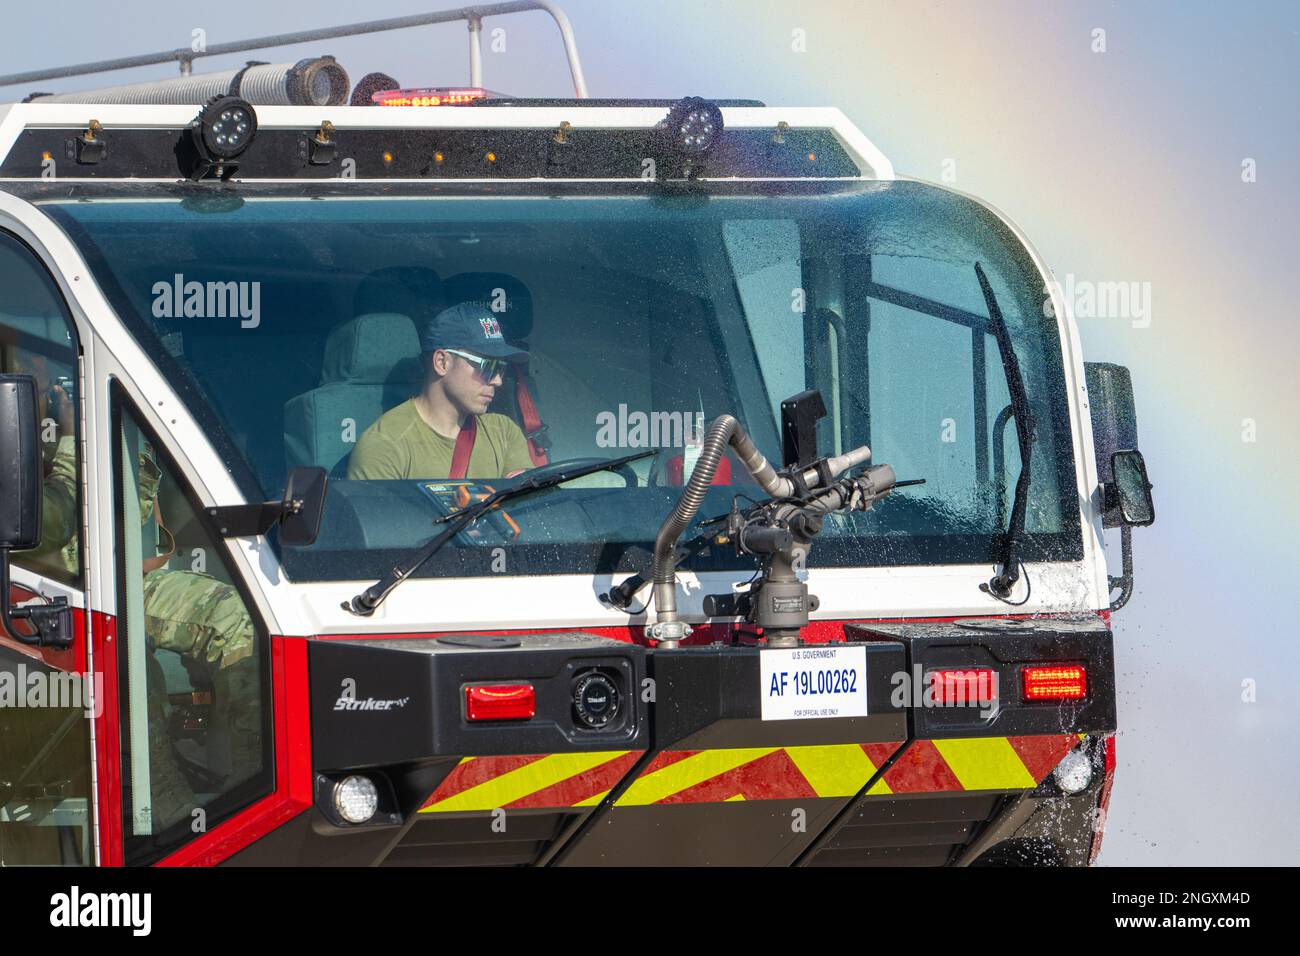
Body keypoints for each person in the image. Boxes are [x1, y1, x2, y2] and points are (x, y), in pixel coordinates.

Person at [347, 301, 535, 480]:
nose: (498, 381)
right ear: (442, 362)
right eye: (488, 366)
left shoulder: (504, 432)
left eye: (501, 368)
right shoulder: (385, 445)